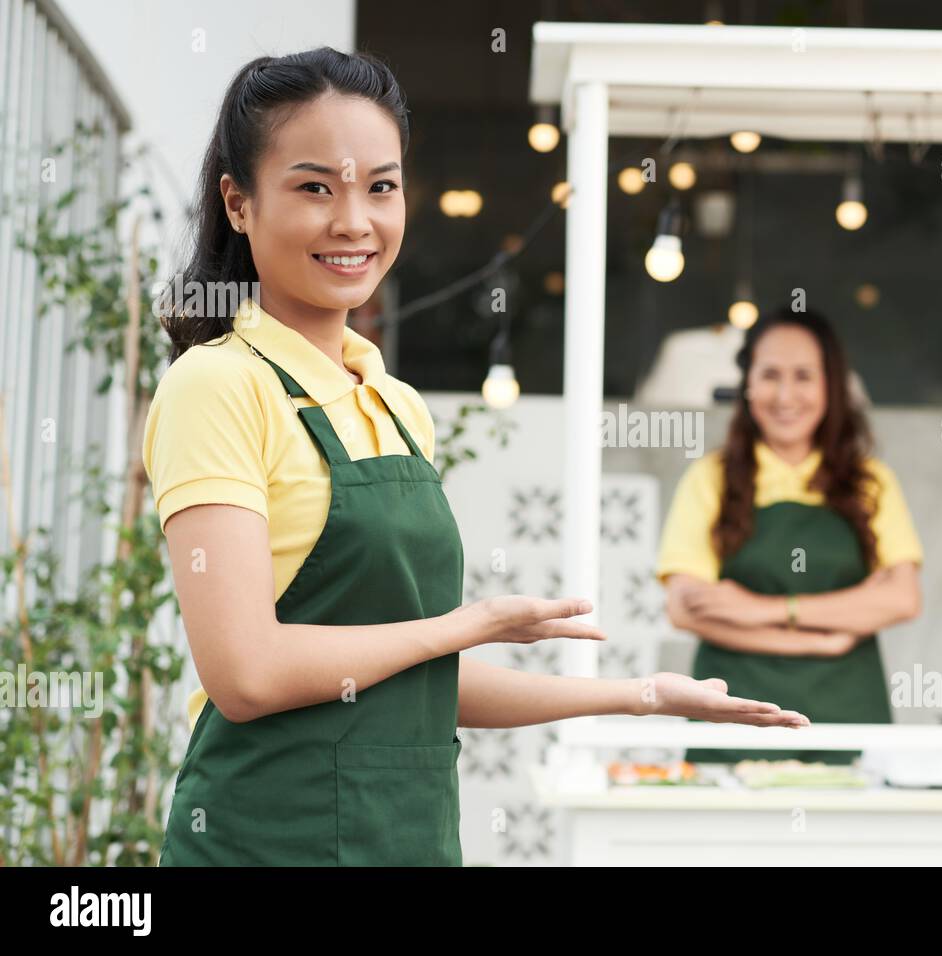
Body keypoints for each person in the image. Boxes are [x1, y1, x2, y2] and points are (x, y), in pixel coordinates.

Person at [143, 48, 807, 867]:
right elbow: (245, 671)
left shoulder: (395, 402)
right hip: (266, 842)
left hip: (410, 841)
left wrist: (642, 697)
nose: (354, 220)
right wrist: (465, 625)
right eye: (315, 186)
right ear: (238, 204)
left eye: (380, 186)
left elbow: (413, 683)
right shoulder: (219, 385)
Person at [656, 306, 923, 764]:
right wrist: (822, 638)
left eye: (803, 376)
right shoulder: (710, 480)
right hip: (732, 720)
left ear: (831, 386)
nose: (785, 395)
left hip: (845, 718)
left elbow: (901, 599)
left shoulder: (870, 482)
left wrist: (760, 609)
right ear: (748, 385)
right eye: (770, 375)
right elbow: (685, 610)